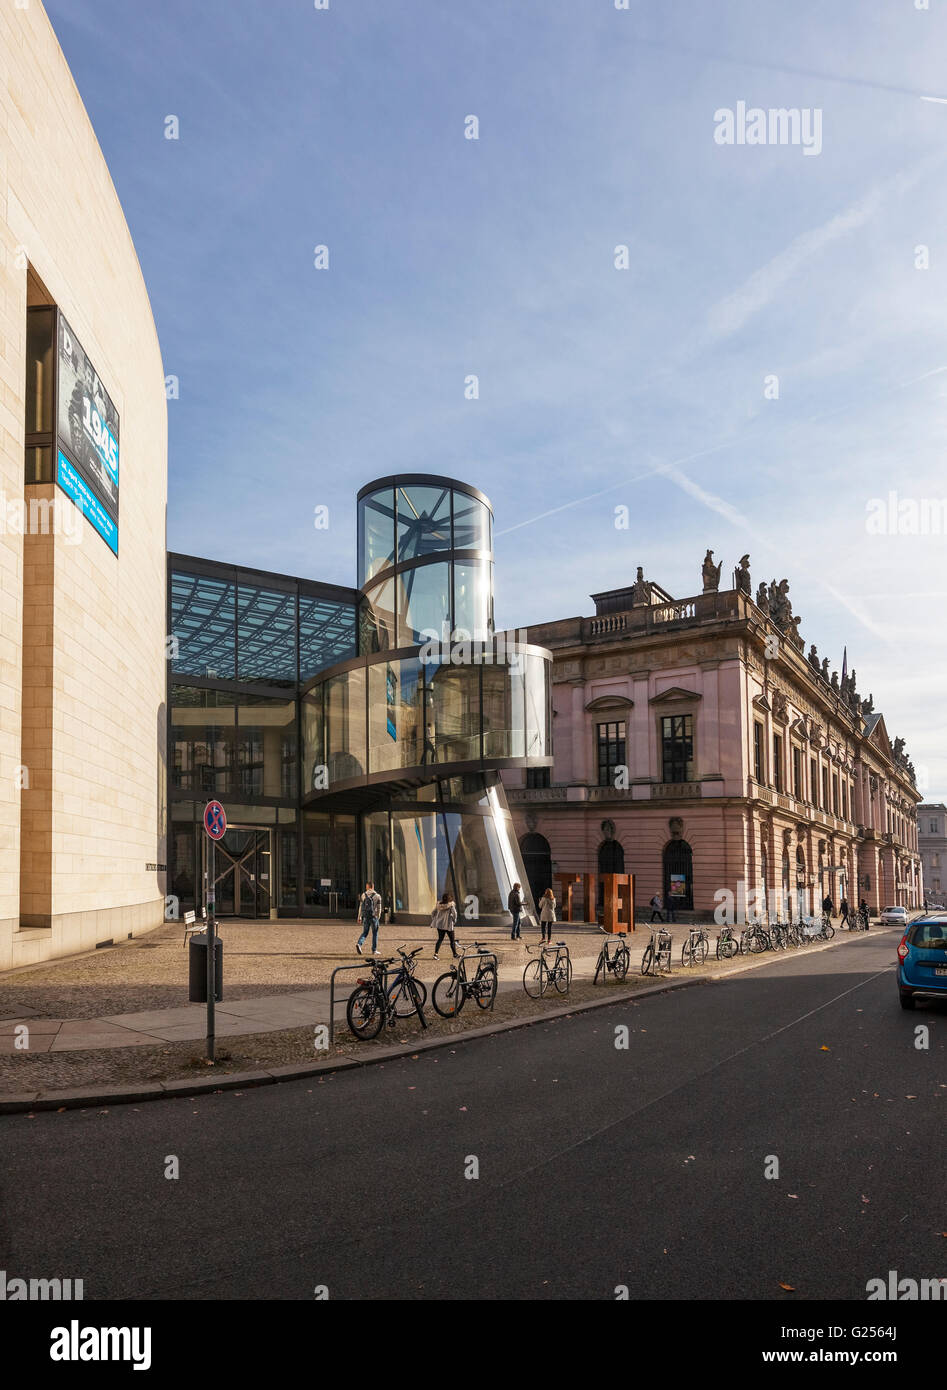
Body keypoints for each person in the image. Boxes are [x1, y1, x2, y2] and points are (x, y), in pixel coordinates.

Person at [355, 880, 382, 955]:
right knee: (375, 933)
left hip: (366, 916)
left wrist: (359, 917)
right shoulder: (377, 896)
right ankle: (374, 950)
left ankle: (359, 944)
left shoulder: (363, 895)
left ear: (367, 887)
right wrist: (378, 917)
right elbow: (379, 908)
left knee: (365, 932)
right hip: (374, 917)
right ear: (373, 886)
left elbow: (360, 907)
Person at [431, 891, 459, 959]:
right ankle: (455, 954)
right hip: (448, 925)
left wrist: (435, 919)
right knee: (452, 940)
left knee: (440, 939)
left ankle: (435, 954)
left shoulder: (438, 905)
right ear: (450, 899)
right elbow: (455, 914)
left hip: (440, 925)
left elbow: (433, 913)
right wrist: (454, 921)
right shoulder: (451, 905)